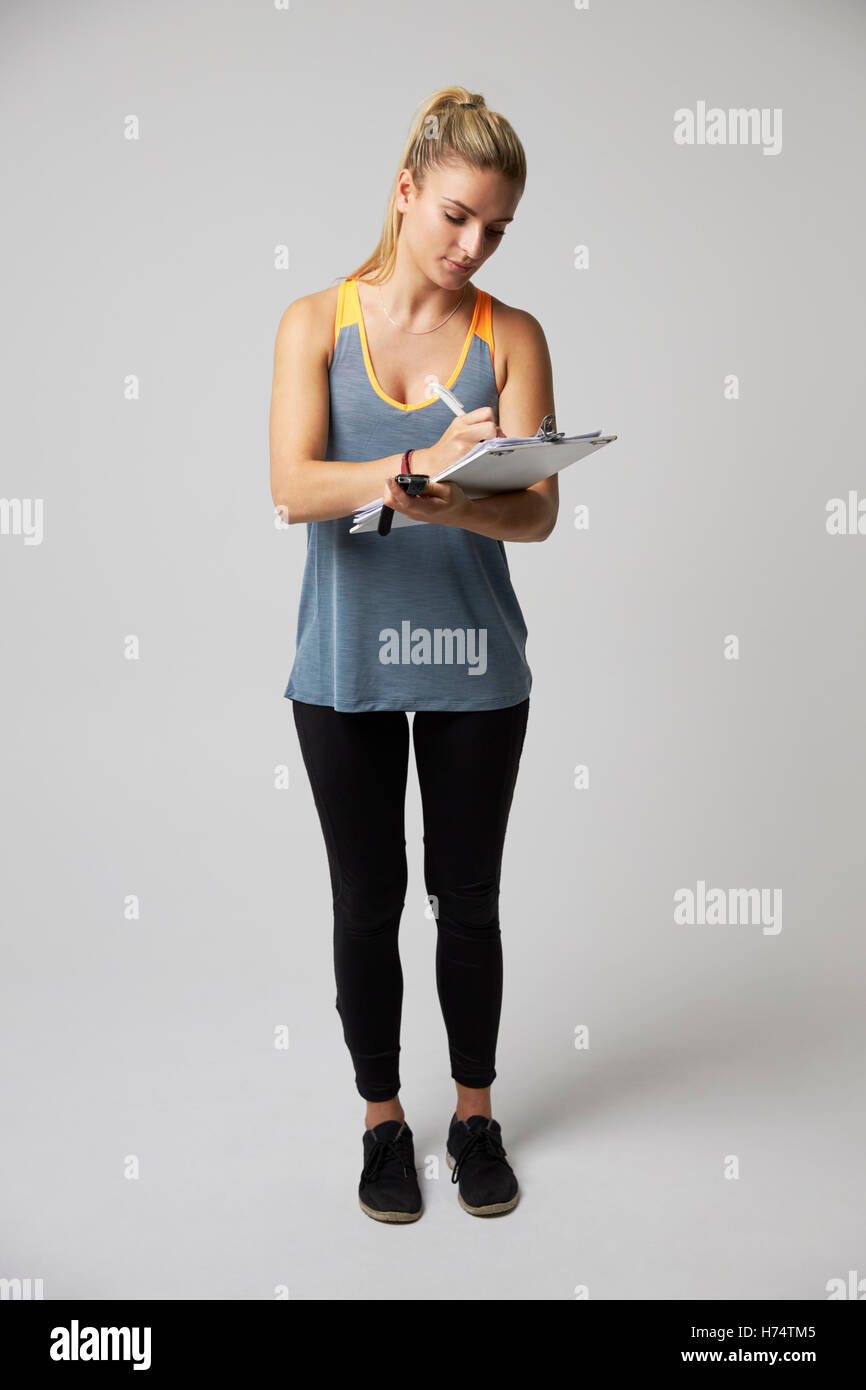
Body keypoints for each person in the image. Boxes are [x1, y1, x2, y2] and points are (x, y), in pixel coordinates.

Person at [269, 86, 558, 1222]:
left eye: (493, 229)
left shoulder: (511, 336)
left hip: (476, 665)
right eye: (453, 216)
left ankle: (474, 1114)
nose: (469, 246)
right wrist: (407, 472)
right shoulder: (313, 322)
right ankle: (383, 1123)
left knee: (467, 900)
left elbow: (534, 512)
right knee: (364, 900)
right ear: (403, 192)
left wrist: (454, 503)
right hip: (339, 662)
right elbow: (292, 488)